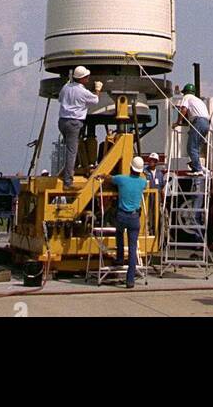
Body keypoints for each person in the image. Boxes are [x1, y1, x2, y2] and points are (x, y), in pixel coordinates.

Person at [58, 66, 103, 187]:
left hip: (62, 122)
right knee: (72, 152)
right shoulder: (82, 91)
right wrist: (98, 89)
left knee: (72, 148)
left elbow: (60, 98)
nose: (88, 78)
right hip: (74, 123)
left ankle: (77, 166)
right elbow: (95, 100)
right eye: (87, 77)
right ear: (82, 78)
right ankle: (68, 181)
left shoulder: (66, 87)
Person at [110, 155, 148, 288]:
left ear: (130, 167)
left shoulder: (121, 179)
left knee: (119, 233)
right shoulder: (143, 182)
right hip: (134, 218)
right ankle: (130, 280)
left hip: (121, 216)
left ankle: (120, 258)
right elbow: (146, 185)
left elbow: (109, 178)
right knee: (132, 249)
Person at [175, 83, 210, 172]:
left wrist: (177, 122)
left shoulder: (187, 97)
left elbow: (183, 110)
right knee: (196, 148)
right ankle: (195, 166)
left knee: (191, 148)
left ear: (186, 92)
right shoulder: (199, 100)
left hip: (198, 122)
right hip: (206, 123)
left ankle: (198, 169)